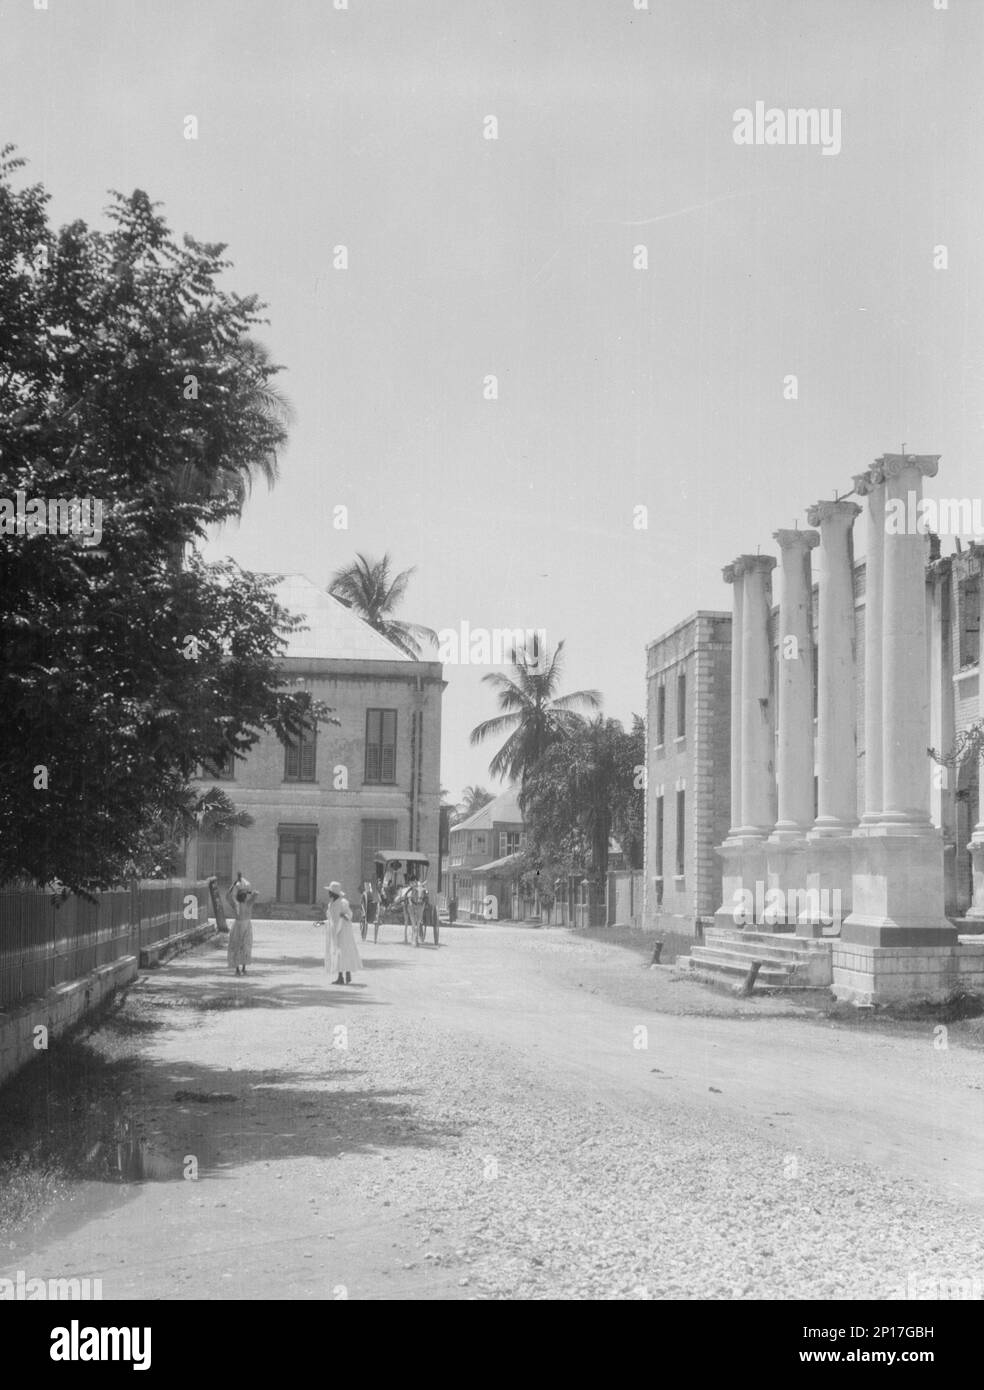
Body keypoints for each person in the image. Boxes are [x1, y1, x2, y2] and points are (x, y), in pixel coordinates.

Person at [325, 881, 362, 984]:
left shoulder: (343, 903)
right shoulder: (331, 904)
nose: (328, 893)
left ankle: (346, 973)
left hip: (344, 931)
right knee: (338, 953)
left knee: (344, 951)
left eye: (330, 892)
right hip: (335, 931)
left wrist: (344, 916)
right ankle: (341, 975)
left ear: (334, 893)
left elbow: (349, 915)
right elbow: (329, 916)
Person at [225, 872, 256, 976]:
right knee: (241, 946)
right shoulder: (244, 904)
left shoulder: (241, 904)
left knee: (241, 946)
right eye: (243, 895)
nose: (244, 896)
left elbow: (227, 896)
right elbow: (256, 893)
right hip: (242, 926)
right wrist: (242, 888)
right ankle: (241, 968)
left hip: (241, 926)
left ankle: (240, 968)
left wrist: (237, 886)